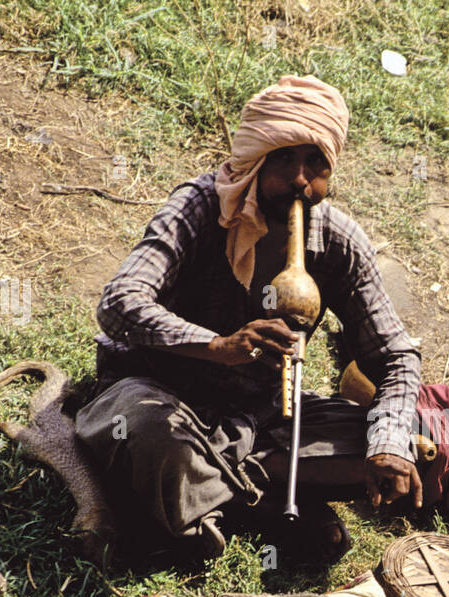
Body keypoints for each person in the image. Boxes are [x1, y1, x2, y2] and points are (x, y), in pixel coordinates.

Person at [74, 75, 422, 565]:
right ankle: (261, 498)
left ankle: (207, 498)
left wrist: (388, 444)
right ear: (255, 157)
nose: (302, 180)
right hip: (160, 392)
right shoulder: (198, 207)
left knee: (407, 432)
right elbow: (118, 303)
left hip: (260, 420)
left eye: (316, 164)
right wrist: (215, 346)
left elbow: (396, 357)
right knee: (146, 431)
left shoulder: (340, 242)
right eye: (284, 158)